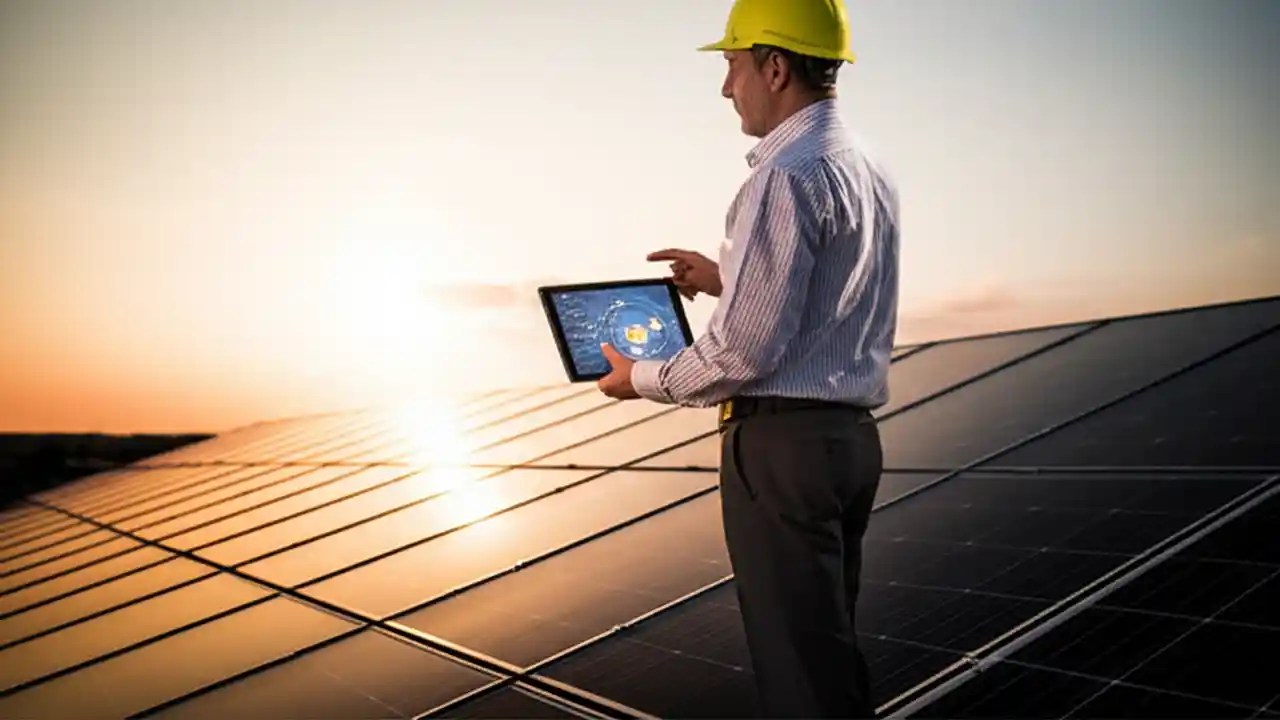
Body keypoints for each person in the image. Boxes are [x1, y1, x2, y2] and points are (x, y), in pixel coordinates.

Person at [595, 0, 899, 717]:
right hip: (847, 441)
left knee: (799, 671)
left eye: (731, 65)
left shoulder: (783, 175)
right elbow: (832, 297)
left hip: (780, 444)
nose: (725, 87)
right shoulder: (865, 166)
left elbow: (744, 349)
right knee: (827, 649)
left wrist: (638, 378)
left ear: (774, 65)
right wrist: (727, 280)